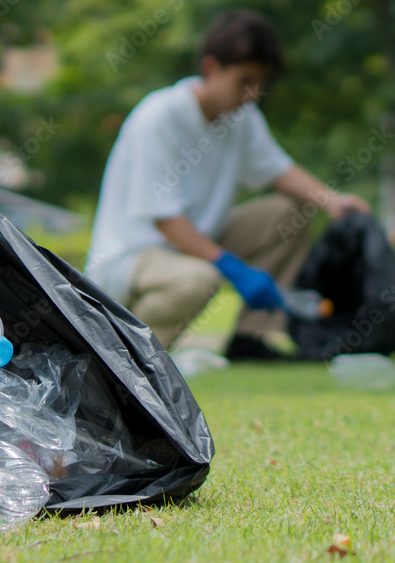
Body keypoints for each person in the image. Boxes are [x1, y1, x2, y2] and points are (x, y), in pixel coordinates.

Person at [84, 9, 369, 356]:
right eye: (245, 81)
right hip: (134, 257)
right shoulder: (158, 117)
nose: (253, 93)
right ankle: (127, 355)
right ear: (210, 68)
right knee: (198, 279)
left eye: (260, 83)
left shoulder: (241, 118)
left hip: (198, 242)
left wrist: (331, 201)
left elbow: (277, 170)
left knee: (291, 210)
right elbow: (165, 220)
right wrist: (231, 267)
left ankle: (250, 340)